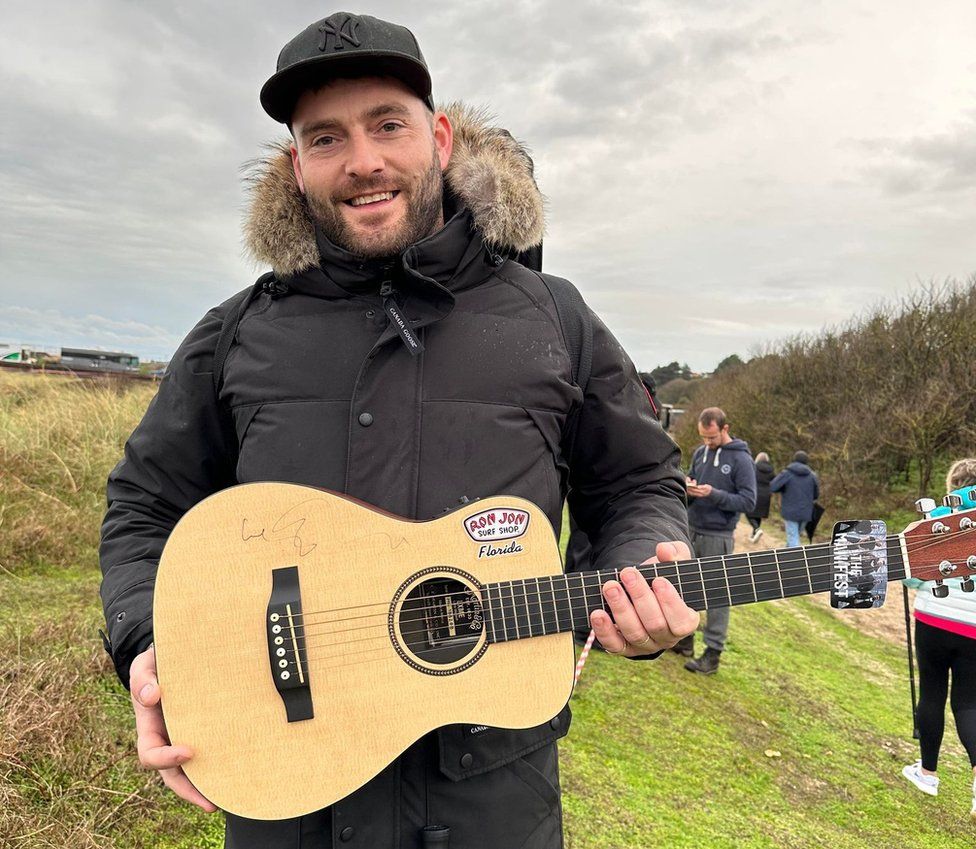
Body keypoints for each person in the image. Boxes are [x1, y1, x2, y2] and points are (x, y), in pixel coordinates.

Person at [98, 13, 699, 849]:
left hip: (490, 807)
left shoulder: (553, 319)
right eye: (326, 138)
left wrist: (642, 574)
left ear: (440, 136)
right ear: (297, 166)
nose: (365, 161)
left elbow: (638, 483)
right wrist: (147, 642)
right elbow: (142, 505)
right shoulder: (234, 335)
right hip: (284, 801)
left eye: (388, 124)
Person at [901, 459, 976, 818]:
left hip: (934, 616)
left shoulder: (936, 519)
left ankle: (927, 773)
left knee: (933, 692)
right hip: (974, 629)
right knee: (968, 703)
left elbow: (911, 576)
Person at [673, 407, 756, 674]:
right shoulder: (700, 453)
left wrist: (714, 494)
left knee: (717, 594)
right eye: (703, 437)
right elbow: (693, 482)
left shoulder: (742, 461)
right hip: (692, 527)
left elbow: (748, 501)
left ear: (724, 429)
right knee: (685, 585)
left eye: (712, 437)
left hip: (718, 535)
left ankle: (713, 653)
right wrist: (688, 488)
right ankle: (684, 640)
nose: (707, 443)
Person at [769, 450, 819, 548]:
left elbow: (773, 487)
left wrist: (783, 488)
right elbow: (816, 495)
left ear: (794, 460)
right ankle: (786, 558)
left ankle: (795, 561)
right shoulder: (812, 476)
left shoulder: (787, 473)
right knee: (794, 537)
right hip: (806, 512)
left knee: (793, 539)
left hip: (790, 511)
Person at [746, 451, 773, 542]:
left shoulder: (753, 467)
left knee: (749, 513)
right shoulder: (771, 470)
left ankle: (757, 529)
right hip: (766, 495)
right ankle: (755, 534)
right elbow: (774, 481)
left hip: (754, 492)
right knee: (759, 514)